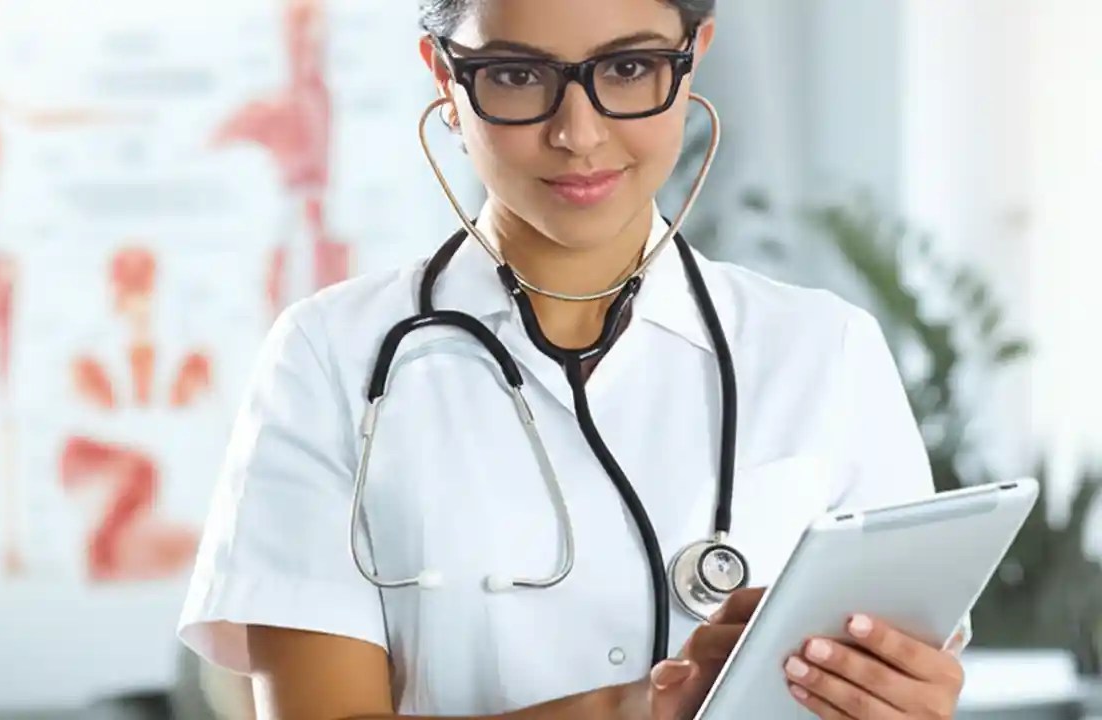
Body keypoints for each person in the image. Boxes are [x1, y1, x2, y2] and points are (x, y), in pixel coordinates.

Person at [177, 1, 970, 717]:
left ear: (694, 55)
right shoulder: (329, 356)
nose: (578, 133)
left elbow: (892, 679)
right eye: (518, 75)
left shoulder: (825, 350)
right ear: (443, 79)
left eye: (628, 68)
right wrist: (634, 712)